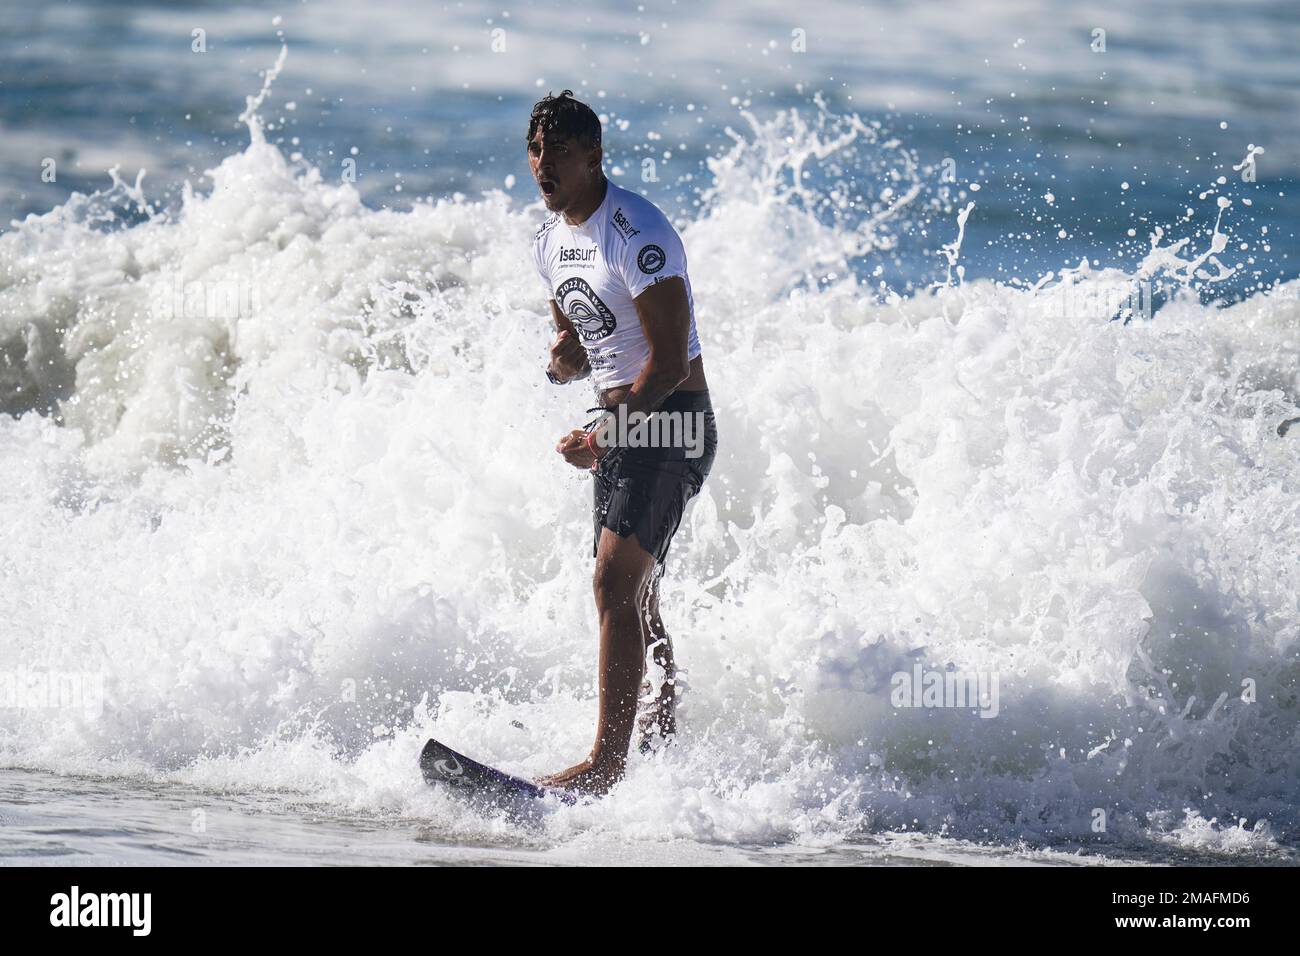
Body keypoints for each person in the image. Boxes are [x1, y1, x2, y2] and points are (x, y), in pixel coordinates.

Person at [526, 90, 718, 795]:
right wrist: (563, 360)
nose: (544, 167)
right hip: (619, 422)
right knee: (634, 595)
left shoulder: (637, 231)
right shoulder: (550, 241)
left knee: (613, 580)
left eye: (561, 155)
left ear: (594, 159)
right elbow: (580, 340)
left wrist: (606, 437)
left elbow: (667, 366)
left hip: (674, 420)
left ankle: (603, 768)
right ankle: (662, 732)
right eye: (536, 151)